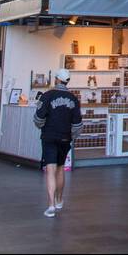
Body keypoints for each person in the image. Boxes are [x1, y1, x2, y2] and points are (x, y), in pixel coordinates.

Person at [34, 69, 82, 216]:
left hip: (49, 136)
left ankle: (51, 206)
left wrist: (42, 126)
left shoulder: (47, 95)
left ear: (56, 79)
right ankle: (59, 199)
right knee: (60, 168)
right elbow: (77, 123)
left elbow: (38, 117)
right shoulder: (73, 99)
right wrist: (71, 136)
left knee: (50, 169)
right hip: (65, 137)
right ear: (67, 81)